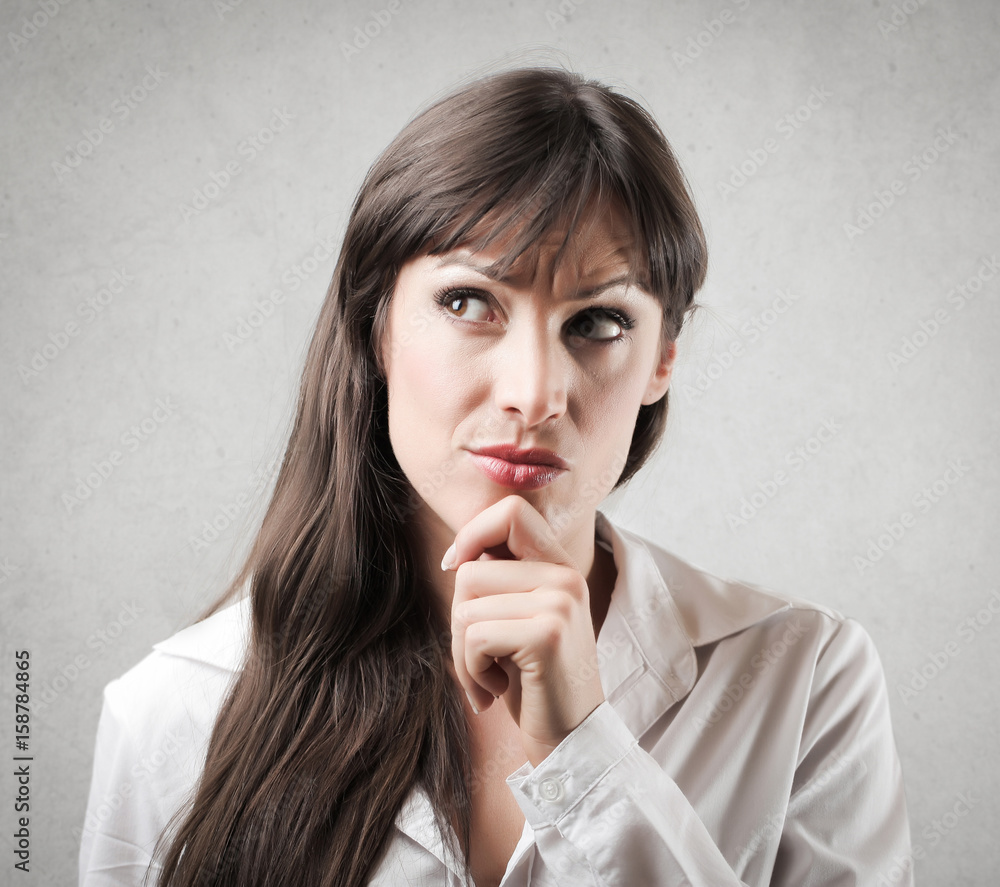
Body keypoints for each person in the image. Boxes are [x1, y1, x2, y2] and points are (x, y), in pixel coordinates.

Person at [79, 66, 914, 887]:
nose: (535, 393)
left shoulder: (801, 677)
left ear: (663, 358)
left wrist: (588, 756)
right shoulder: (172, 712)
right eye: (469, 302)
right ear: (377, 329)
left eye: (598, 321)